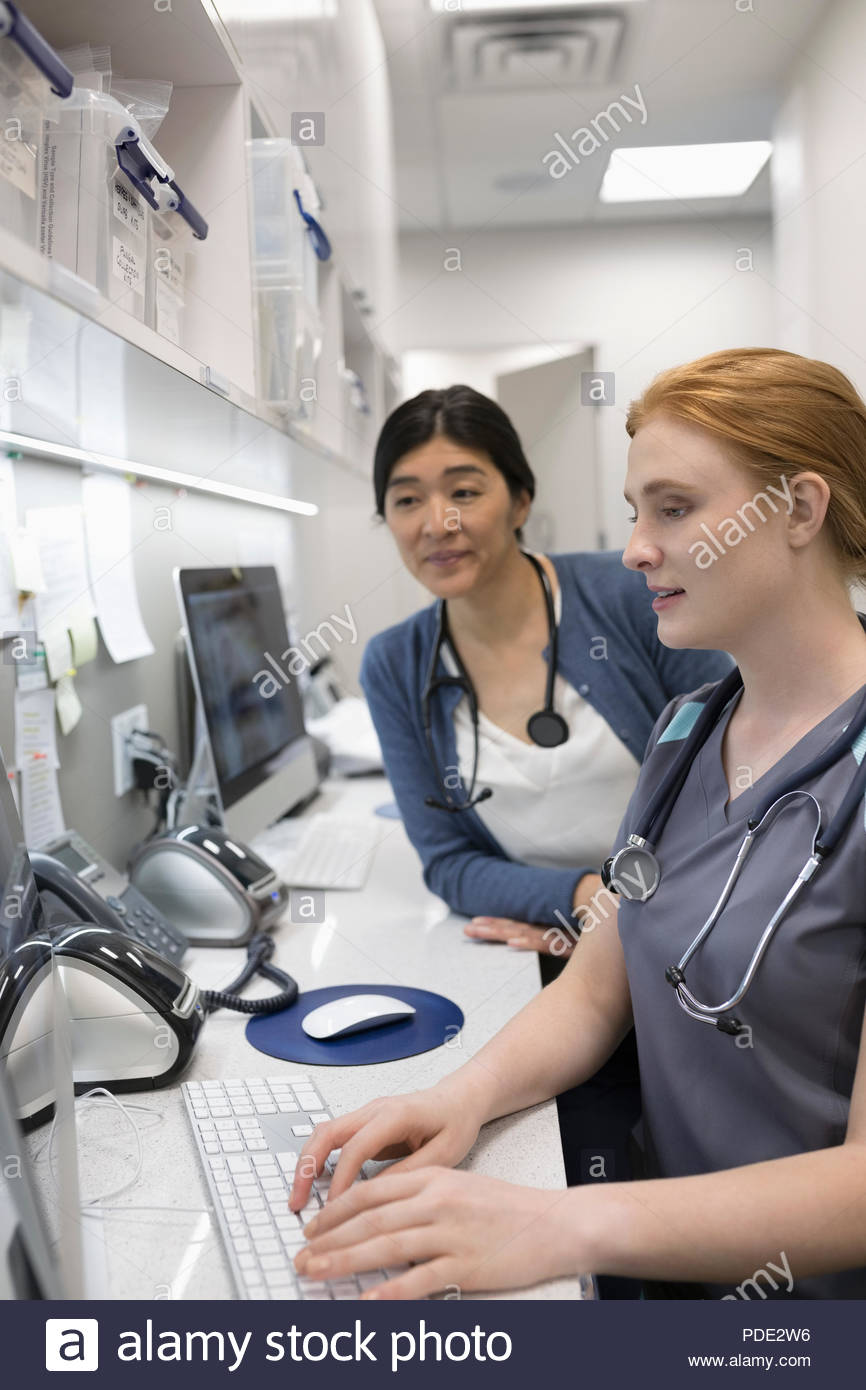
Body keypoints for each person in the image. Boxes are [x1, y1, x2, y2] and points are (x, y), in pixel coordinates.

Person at [288, 348, 866, 1300]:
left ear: (799, 509)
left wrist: (559, 1222)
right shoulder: (687, 737)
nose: (635, 548)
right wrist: (454, 1100)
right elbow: (598, 989)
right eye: (637, 513)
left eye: (673, 509)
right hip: (667, 1251)